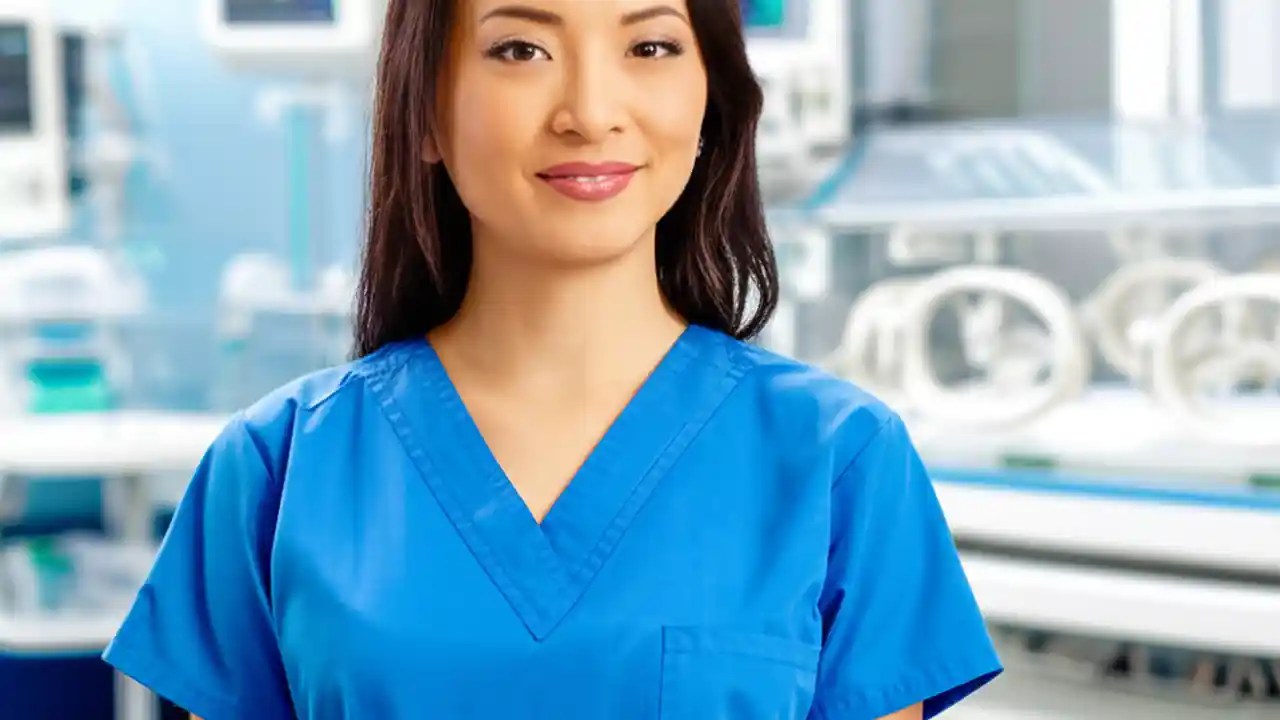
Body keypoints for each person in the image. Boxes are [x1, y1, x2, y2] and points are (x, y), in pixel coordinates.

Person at [103, 1, 1002, 717]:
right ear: (424, 111)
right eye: (521, 50)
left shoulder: (837, 459)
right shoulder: (277, 468)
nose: (590, 112)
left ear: (710, 99)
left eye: (650, 46)